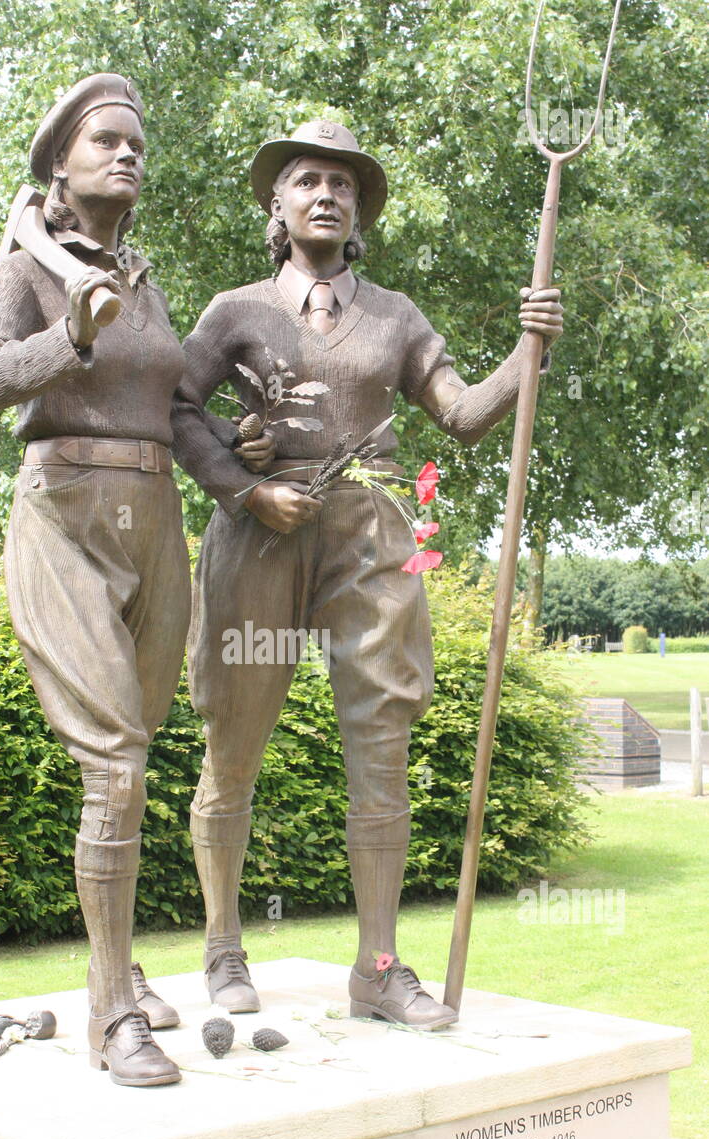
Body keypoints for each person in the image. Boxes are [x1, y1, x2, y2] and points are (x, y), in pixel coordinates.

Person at [171, 119, 563, 1026]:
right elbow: (179, 410)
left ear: (357, 212)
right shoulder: (236, 312)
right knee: (233, 739)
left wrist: (526, 348)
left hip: (371, 535)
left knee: (382, 744)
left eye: (343, 186)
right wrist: (240, 485)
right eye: (308, 180)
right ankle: (224, 947)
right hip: (260, 530)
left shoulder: (396, 315)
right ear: (278, 203)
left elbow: (463, 416)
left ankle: (378, 967)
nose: (326, 195)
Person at [0, 74, 270, 1086]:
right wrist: (71, 334)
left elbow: (168, 409)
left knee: (134, 755)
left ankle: (121, 971)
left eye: (137, 141)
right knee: (115, 768)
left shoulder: (145, 283)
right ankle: (111, 1020)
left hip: (154, 521)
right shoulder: (24, 269)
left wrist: (237, 437)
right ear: (61, 163)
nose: (128, 154)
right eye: (107, 140)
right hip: (65, 513)